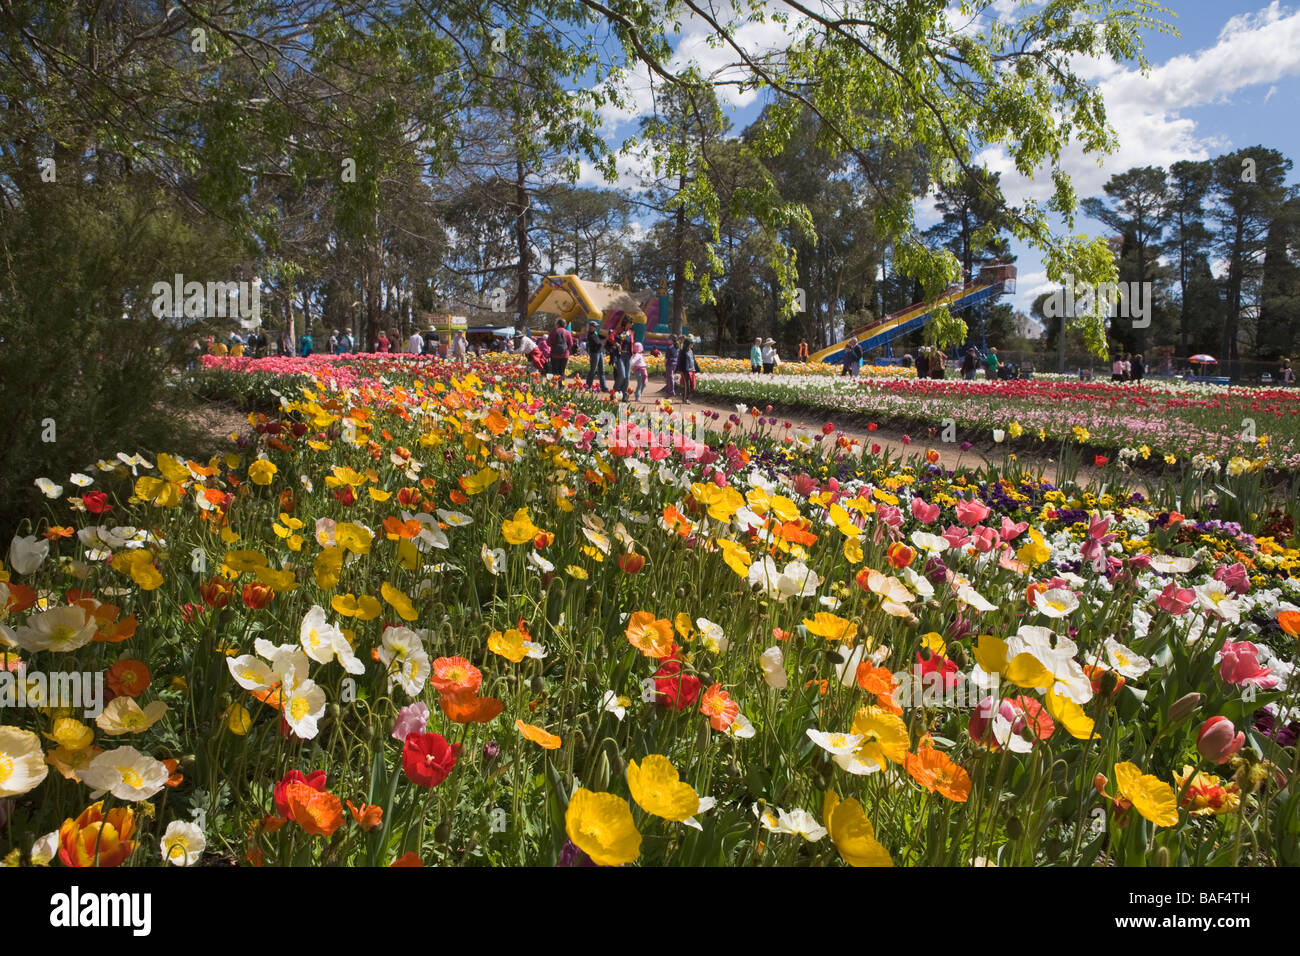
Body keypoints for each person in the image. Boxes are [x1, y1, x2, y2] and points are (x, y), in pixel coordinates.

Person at [585, 321, 608, 391]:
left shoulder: (595, 334)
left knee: (602, 370)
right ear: (591, 326)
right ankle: (588, 386)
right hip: (595, 353)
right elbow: (598, 343)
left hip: (599, 353)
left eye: (596, 326)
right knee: (593, 370)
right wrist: (604, 341)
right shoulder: (590, 335)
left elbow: (600, 341)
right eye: (594, 326)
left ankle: (603, 387)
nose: (595, 328)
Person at [677, 335, 699, 402]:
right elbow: (680, 361)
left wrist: (697, 368)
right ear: (688, 344)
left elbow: (693, 360)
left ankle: (686, 398)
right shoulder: (682, 351)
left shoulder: (691, 351)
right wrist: (680, 370)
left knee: (692, 385)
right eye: (691, 343)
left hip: (692, 370)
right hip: (685, 370)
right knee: (687, 385)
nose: (692, 345)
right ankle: (685, 399)